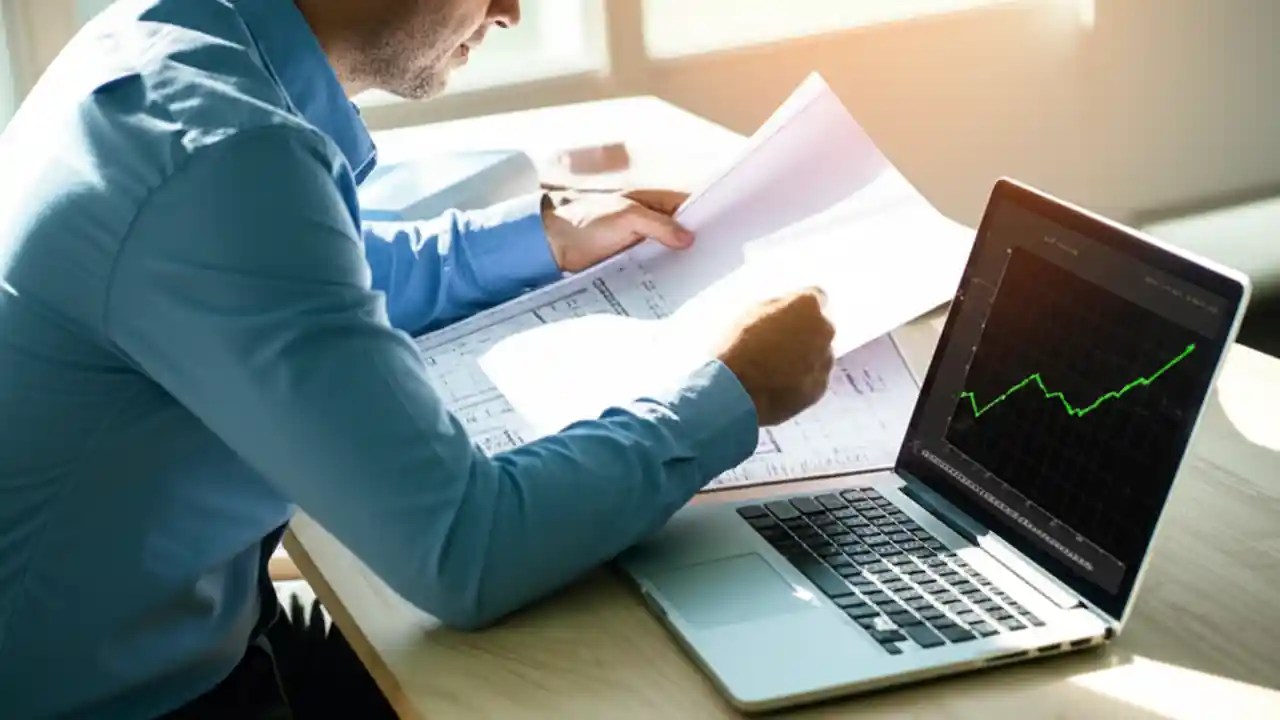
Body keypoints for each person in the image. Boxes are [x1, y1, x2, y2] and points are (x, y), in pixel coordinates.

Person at [0, 0, 836, 717]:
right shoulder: (224, 153)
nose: (512, 9)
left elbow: (306, 267)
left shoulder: (168, 48)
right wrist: (735, 390)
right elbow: (466, 550)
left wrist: (543, 237)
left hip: (187, 637)